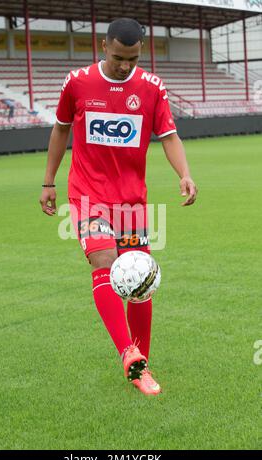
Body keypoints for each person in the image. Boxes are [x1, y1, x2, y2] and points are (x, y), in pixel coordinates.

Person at [39, 18, 198, 396]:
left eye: (133, 57)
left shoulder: (151, 88)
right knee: (104, 260)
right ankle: (129, 354)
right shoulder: (77, 82)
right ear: (103, 46)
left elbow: (169, 136)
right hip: (88, 195)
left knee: (141, 278)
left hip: (130, 201)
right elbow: (61, 128)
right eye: (118, 57)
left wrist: (185, 173)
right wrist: (49, 181)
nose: (125, 65)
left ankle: (141, 359)